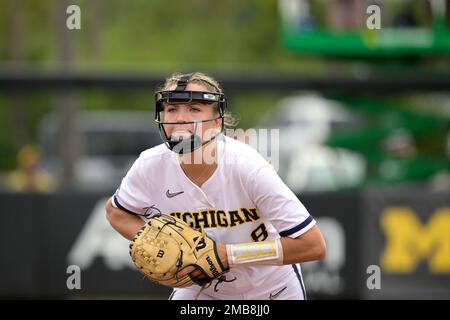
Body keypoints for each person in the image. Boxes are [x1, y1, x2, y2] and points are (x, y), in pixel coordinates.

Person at [105, 72, 326, 300]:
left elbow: (312, 245)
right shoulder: (150, 165)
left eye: (194, 109)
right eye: (172, 109)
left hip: (272, 288)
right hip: (202, 289)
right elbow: (116, 212)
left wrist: (227, 255)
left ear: (217, 121)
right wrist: (162, 247)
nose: (180, 118)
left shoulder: (247, 166)